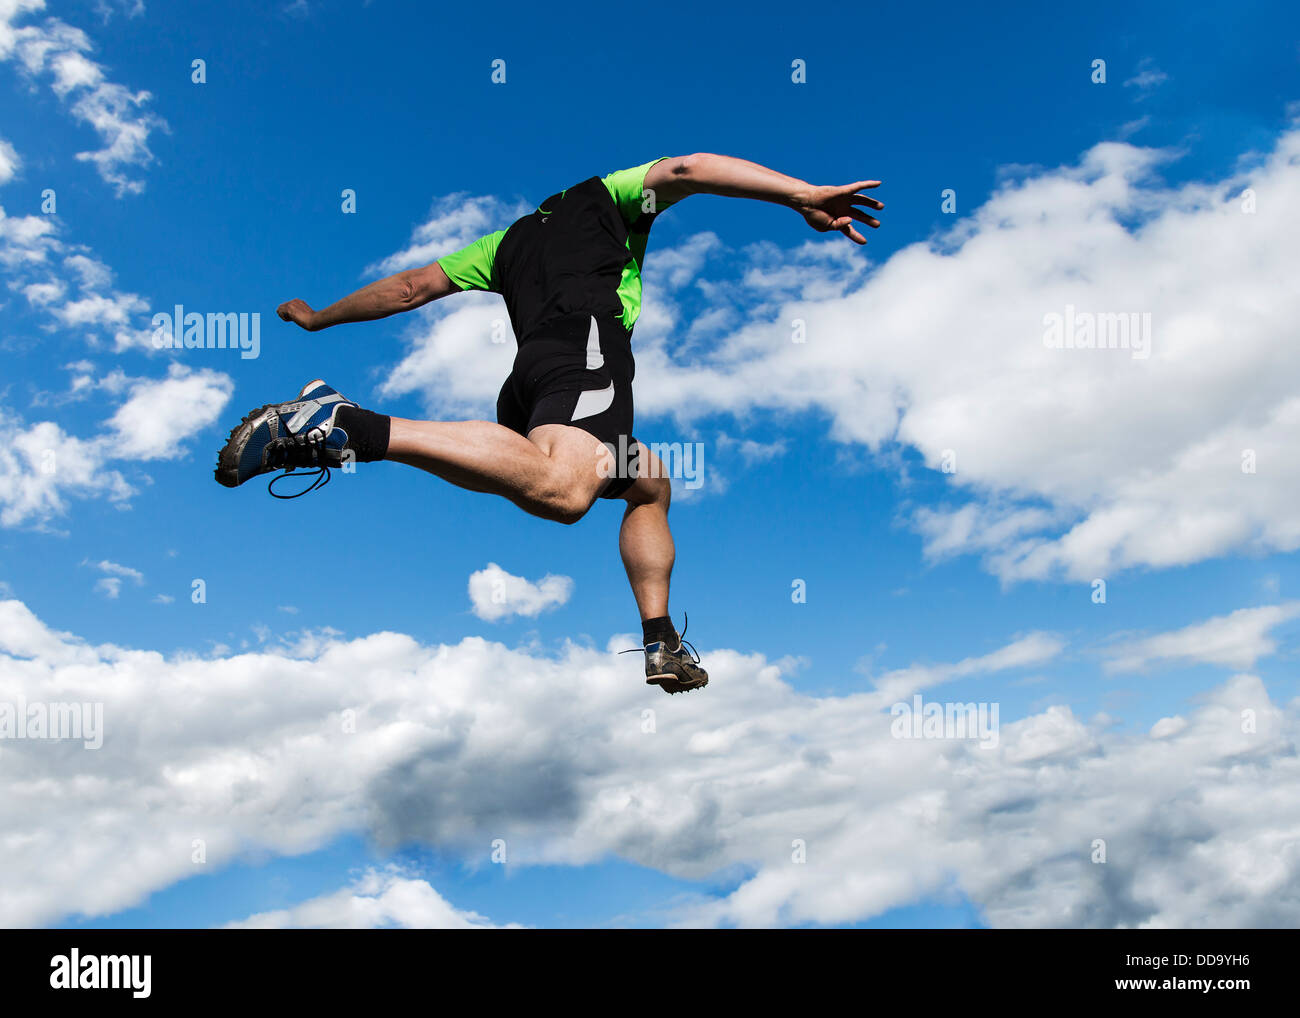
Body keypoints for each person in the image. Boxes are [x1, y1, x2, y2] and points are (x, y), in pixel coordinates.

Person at [215, 154, 883, 694]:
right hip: (586, 349)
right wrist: (799, 194)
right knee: (566, 491)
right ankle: (349, 425)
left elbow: (413, 288)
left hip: (532, 381)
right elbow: (687, 172)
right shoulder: (609, 197)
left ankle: (661, 642)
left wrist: (320, 317)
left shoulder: (505, 242)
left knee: (648, 482)